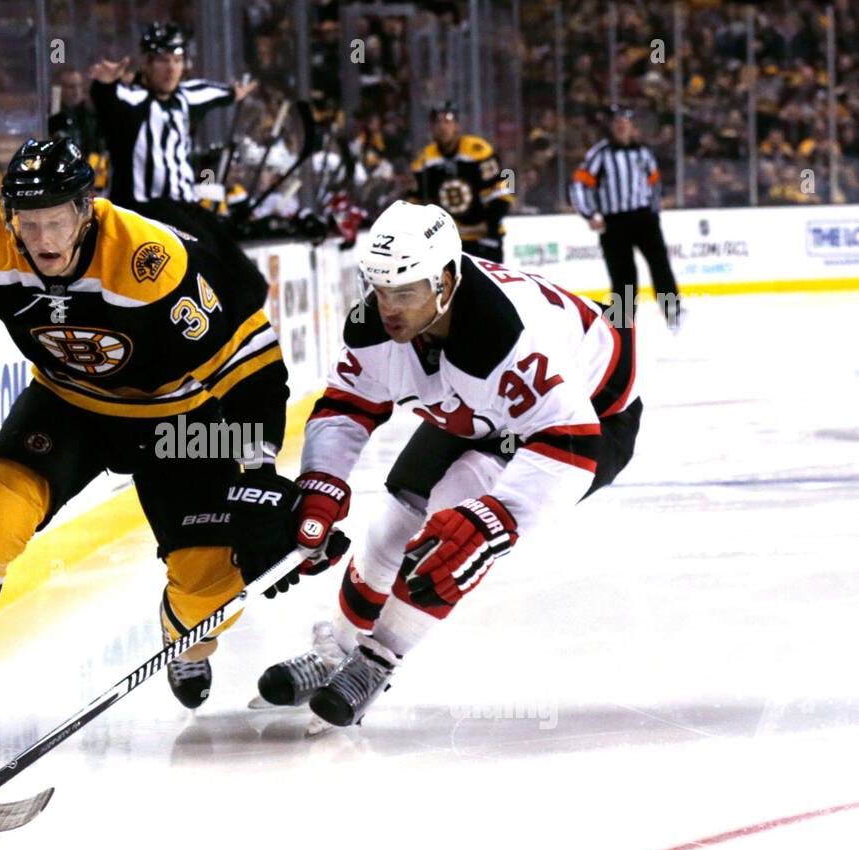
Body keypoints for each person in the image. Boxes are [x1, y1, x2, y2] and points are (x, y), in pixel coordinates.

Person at [0, 137, 309, 744]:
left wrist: (257, 473)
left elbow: (251, 366)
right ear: (10, 218)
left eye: (57, 221)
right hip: (70, 406)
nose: (44, 240)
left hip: (179, 420)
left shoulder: (148, 263)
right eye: (30, 224)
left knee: (210, 589)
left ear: (86, 209)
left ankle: (186, 632)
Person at [255, 201, 643, 728]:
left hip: (586, 419)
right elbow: (348, 403)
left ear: (444, 281)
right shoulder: (380, 319)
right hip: (484, 408)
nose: (387, 307)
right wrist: (321, 484)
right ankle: (334, 653)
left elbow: (571, 442)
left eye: (404, 291)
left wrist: (498, 521)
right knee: (391, 530)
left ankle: (376, 661)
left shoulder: (505, 336)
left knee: (452, 536)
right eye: (380, 289)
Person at [88, 21, 256, 238]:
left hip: (185, 206)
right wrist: (104, 85)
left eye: (177, 60)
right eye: (163, 60)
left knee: (234, 261)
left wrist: (234, 93)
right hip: (144, 211)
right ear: (147, 63)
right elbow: (109, 101)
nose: (171, 69)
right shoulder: (133, 101)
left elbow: (212, 93)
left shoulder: (186, 97)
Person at [570, 106, 682, 329]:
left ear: (632, 127)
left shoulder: (643, 152)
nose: (622, 127)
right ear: (612, 127)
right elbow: (579, 184)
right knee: (623, 275)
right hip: (614, 222)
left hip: (643, 218)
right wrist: (589, 214)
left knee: (659, 265)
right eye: (617, 123)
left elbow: (654, 183)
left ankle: (673, 312)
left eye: (625, 123)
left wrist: (654, 208)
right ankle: (622, 324)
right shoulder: (599, 154)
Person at [411, 102, 514, 263]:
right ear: (431, 128)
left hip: (485, 238)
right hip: (448, 242)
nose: (442, 127)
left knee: (486, 287)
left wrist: (490, 225)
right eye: (437, 122)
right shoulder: (424, 160)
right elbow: (416, 202)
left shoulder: (478, 150)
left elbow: (503, 189)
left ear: (457, 126)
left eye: (447, 121)